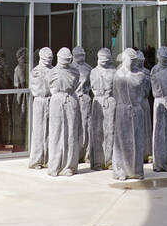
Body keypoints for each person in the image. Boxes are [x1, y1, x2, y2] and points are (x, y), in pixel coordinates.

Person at [111, 49, 146, 180]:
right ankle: (121, 170)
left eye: (133, 60)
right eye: (129, 60)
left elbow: (142, 93)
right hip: (122, 110)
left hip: (136, 110)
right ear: (124, 59)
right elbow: (115, 92)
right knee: (122, 140)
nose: (131, 63)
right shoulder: (118, 75)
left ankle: (136, 170)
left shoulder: (140, 75)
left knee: (137, 140)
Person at [46, 47, 82, 176]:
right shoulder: (52, 72)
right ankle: (55, 165)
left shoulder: (75, 72)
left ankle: (69, 166)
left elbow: (75, 83)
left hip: (70, 100)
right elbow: (49, 86)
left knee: (71, 133)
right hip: (57, 101)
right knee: (56, 133)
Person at [88, 47, 116, 170]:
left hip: (109, 101)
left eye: (105, 60)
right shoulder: (93, 72)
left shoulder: (114, 72)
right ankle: (98, 161)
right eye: (101, 59)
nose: (103, 62)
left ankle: (109, 160)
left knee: (110, 130)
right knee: (97, 131)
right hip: (98, 102)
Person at [27, 47, 53, 169]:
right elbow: (35, 88)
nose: (48, 60)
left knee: (50, 131)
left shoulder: (53, 70)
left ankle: (48, 158)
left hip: (51, 101)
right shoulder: (35, 71)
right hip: (40, 101)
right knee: (39, 131)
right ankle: (36, 160)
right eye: (46, 58)